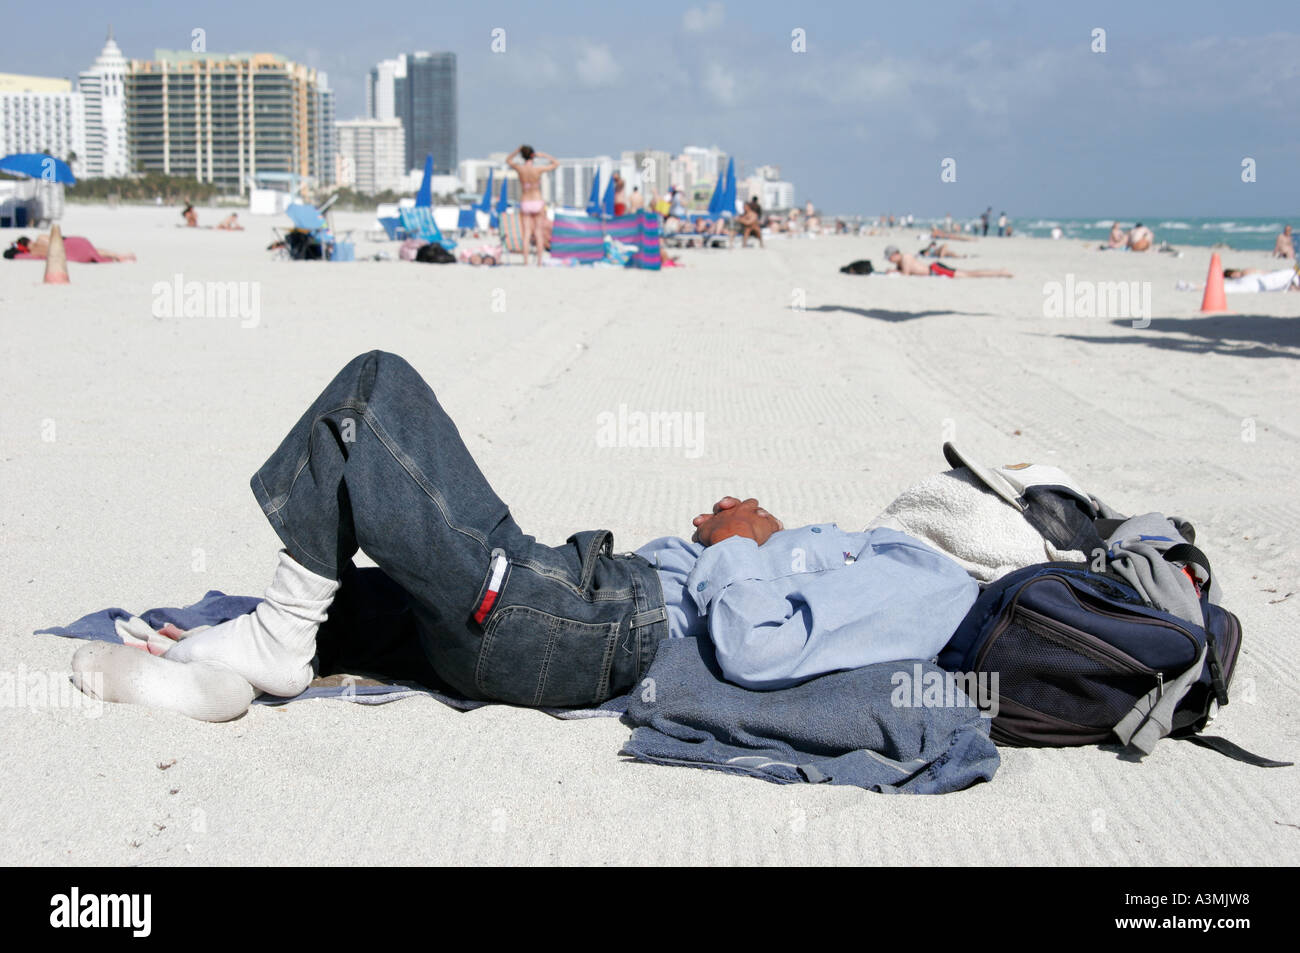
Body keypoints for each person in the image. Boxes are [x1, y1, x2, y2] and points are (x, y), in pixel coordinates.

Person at [71, 351, 977, 721]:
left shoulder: (930, 578)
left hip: (579, 619)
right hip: (575, 608)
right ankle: (228, 674)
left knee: (371, 399)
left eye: (972, 482)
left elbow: (760, 646)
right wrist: (760, 539)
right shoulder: (894, 564)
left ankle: (273, 640)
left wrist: (738, 540)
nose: (949, 483)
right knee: (342, 594)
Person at [506, 144, 558, 266]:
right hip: (537, 200)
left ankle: (525, 262)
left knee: (527, 233)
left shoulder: (520, 169)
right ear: (532, 156)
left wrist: (517, 150)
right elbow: (556, 163)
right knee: (539, 233)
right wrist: (544, 155)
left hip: (525, 201)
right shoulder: (537, 169)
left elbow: (508, 160)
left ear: (523, 156)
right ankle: (539, 262)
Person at [885, 244, 1011, 278]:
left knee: (969, 274)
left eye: (890, 258)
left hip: (935, 270)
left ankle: (1001, 272)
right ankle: (1000, 272)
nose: (890, 261)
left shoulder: (906, 257)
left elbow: (906, 273)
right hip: (934, 270)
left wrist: (893, 271)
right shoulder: (901, 261)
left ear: (895, 254)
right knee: (969, 274)